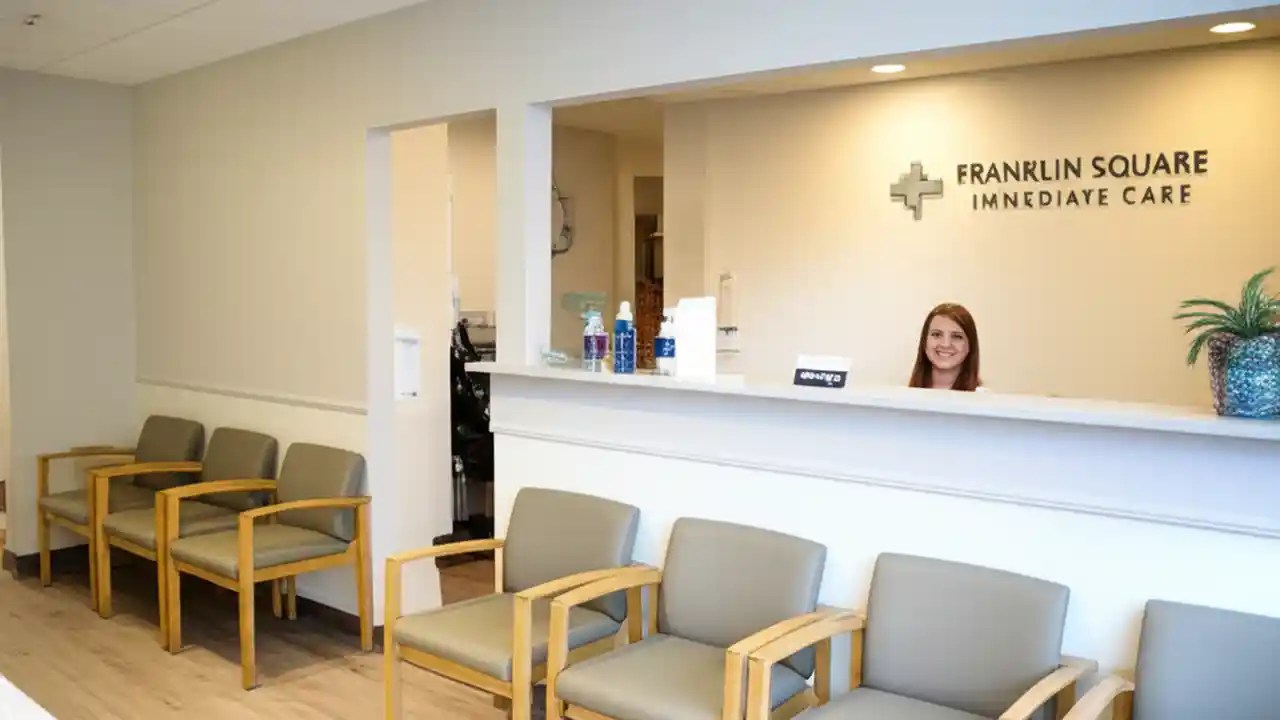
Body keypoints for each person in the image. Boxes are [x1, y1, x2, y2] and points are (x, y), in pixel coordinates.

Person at [908, 303, 983, 392]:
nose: (945, 344)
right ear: (924, 341)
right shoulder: (903, 397)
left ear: (970, 344)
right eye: (937, 334)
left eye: (956, 336)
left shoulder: (985, 401)